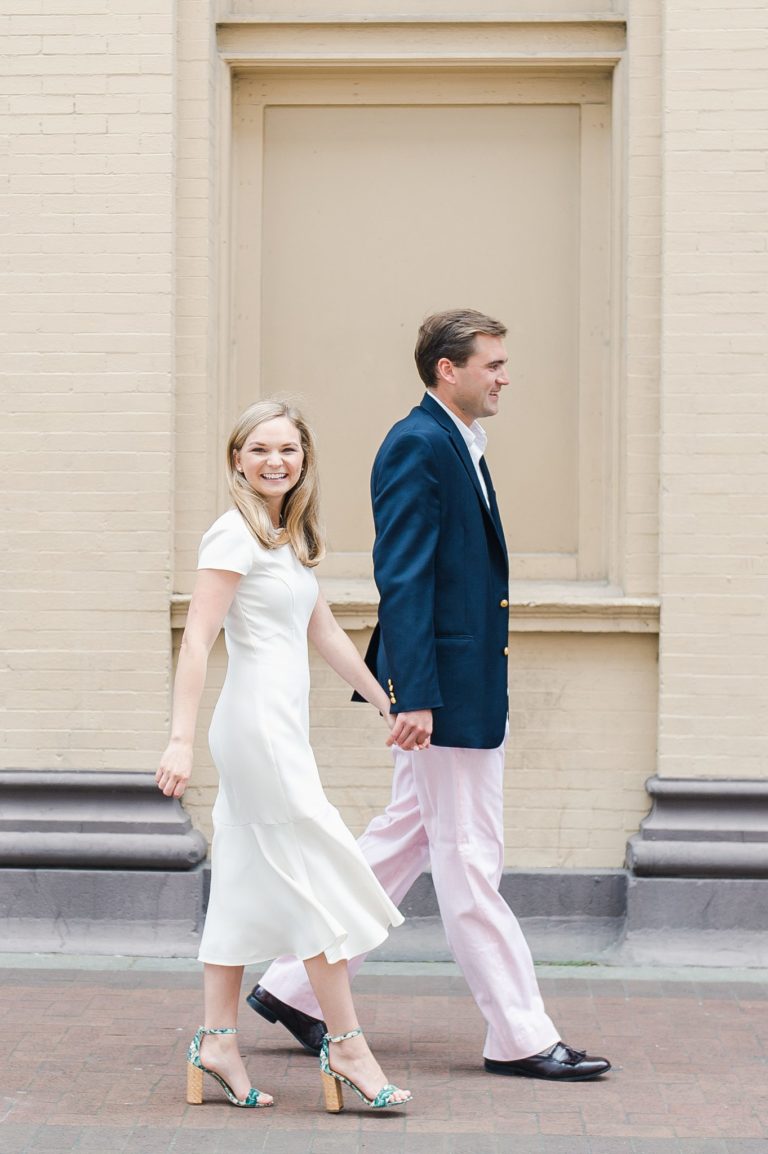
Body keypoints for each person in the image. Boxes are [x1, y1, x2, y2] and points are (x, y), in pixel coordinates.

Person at [248, 310, 611, 1082]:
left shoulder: (454, 440)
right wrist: (411, 694)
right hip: (443, 696)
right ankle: (519, 1034)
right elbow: (403, 575)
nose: (505, 376)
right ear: (449, 370)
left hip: (458, 687)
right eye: (494, 364)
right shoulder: (417, 443)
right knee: (471, 857)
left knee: (406, 837)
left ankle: (289, 985)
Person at [156, 400, 412, 1112]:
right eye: (261, 449)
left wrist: (387, 700)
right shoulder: (232, 533)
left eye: (289, 450)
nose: (276, 461)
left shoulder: (282, 536)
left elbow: (324, 633)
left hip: (278, 729)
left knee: (243, 877)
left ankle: (217, 1040)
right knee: (315, 881)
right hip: (254, 732)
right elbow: (197, 637)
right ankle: (349, 1044)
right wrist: (179, 738)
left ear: (304, 459)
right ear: (237, 457)